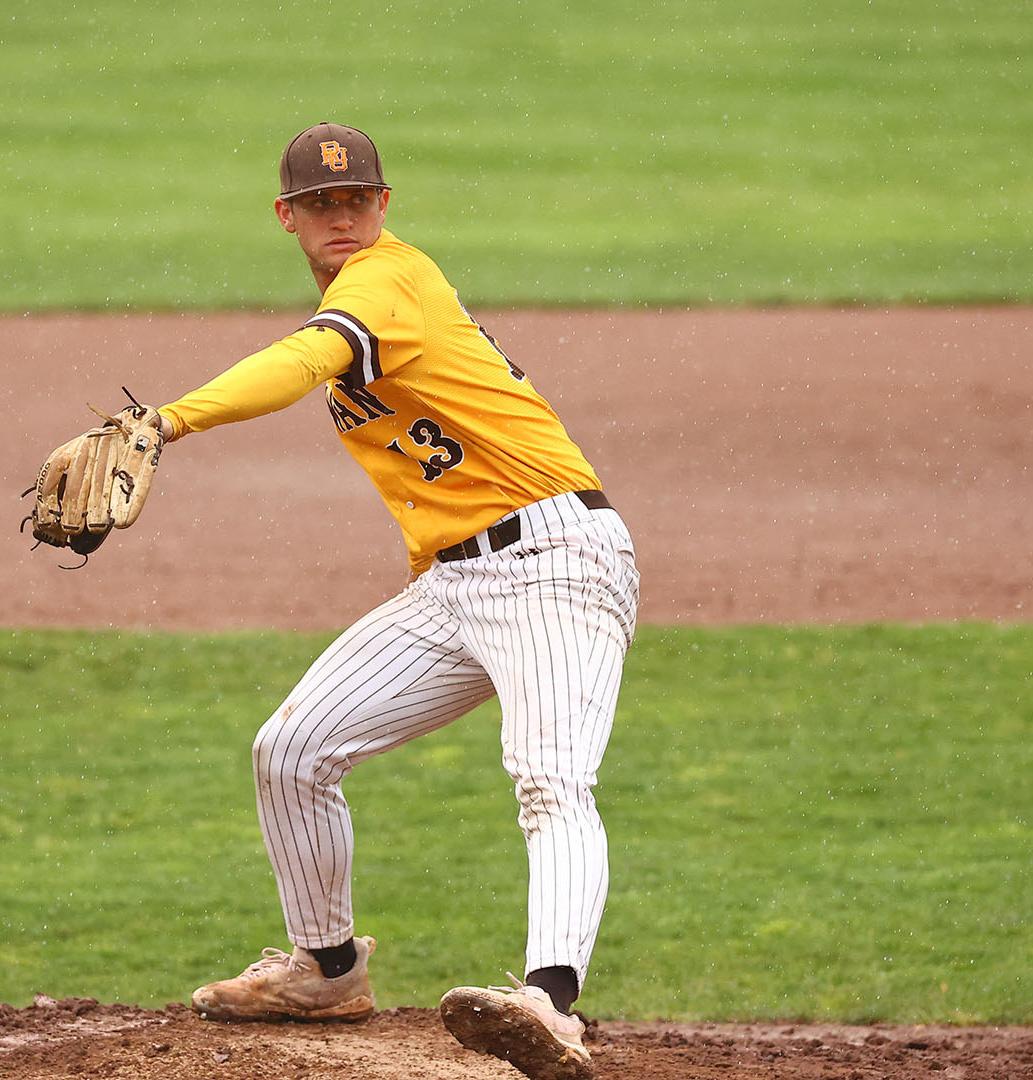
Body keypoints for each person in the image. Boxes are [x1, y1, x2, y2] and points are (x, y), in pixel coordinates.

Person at [147, 122, 639, 1080]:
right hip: (456, 584)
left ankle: (551, 1005)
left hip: (557, 559)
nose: (341, 216)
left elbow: (298, 366)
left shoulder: (389, 279)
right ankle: (325, 971)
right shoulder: (367, 286)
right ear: (286, 216)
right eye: (320, 204)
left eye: (356, 200)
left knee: (549, 778)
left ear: (382, 205)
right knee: (291, 750)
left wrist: (170, 420)